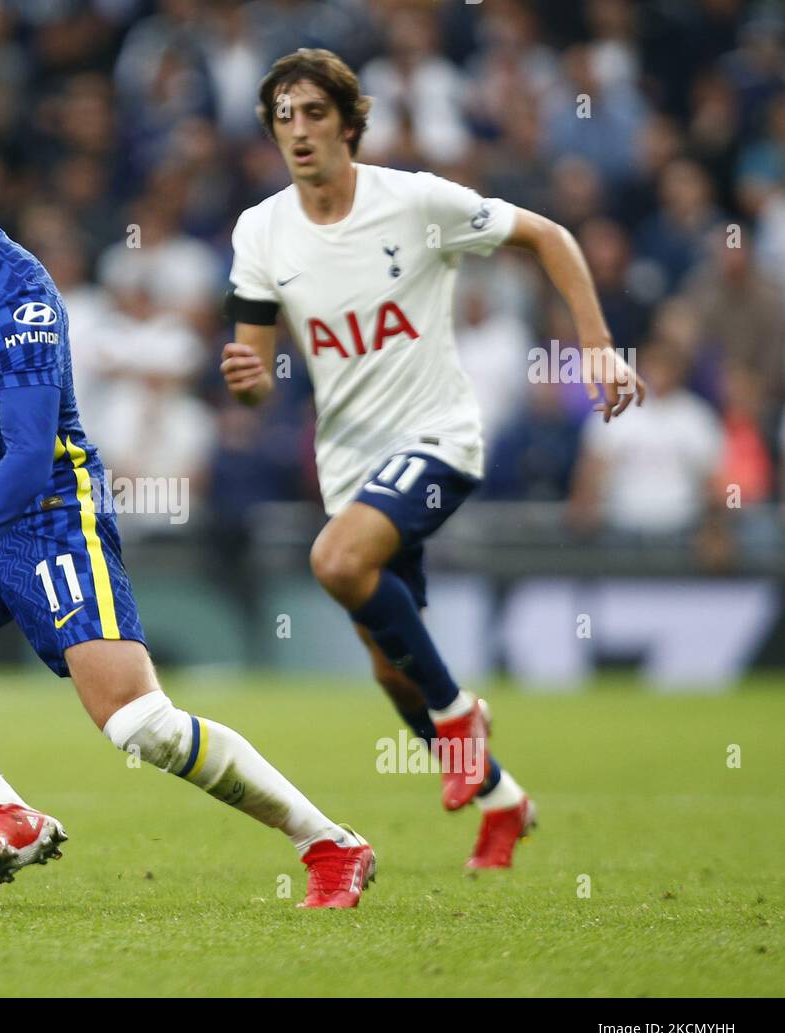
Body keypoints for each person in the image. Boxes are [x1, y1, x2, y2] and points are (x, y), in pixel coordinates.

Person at [0, 89, 375, 908]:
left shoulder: (22, 296)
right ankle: (6, 811)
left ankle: (330, 843)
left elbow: (28, 456)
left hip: (47, 520)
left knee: (140, 726)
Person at [221, 49, 646, 868]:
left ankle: (458, 718)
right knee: (389, 672)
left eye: (314, 113)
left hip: (437, 436)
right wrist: (244, 380)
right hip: (348, 464)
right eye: (283, 117)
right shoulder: (260, 229)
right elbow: (251, 377)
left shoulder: (415, 201)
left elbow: (549, 235)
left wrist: (597, 347)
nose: (299, 130)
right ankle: (501, 796)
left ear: (349, 123)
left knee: (336, 562)